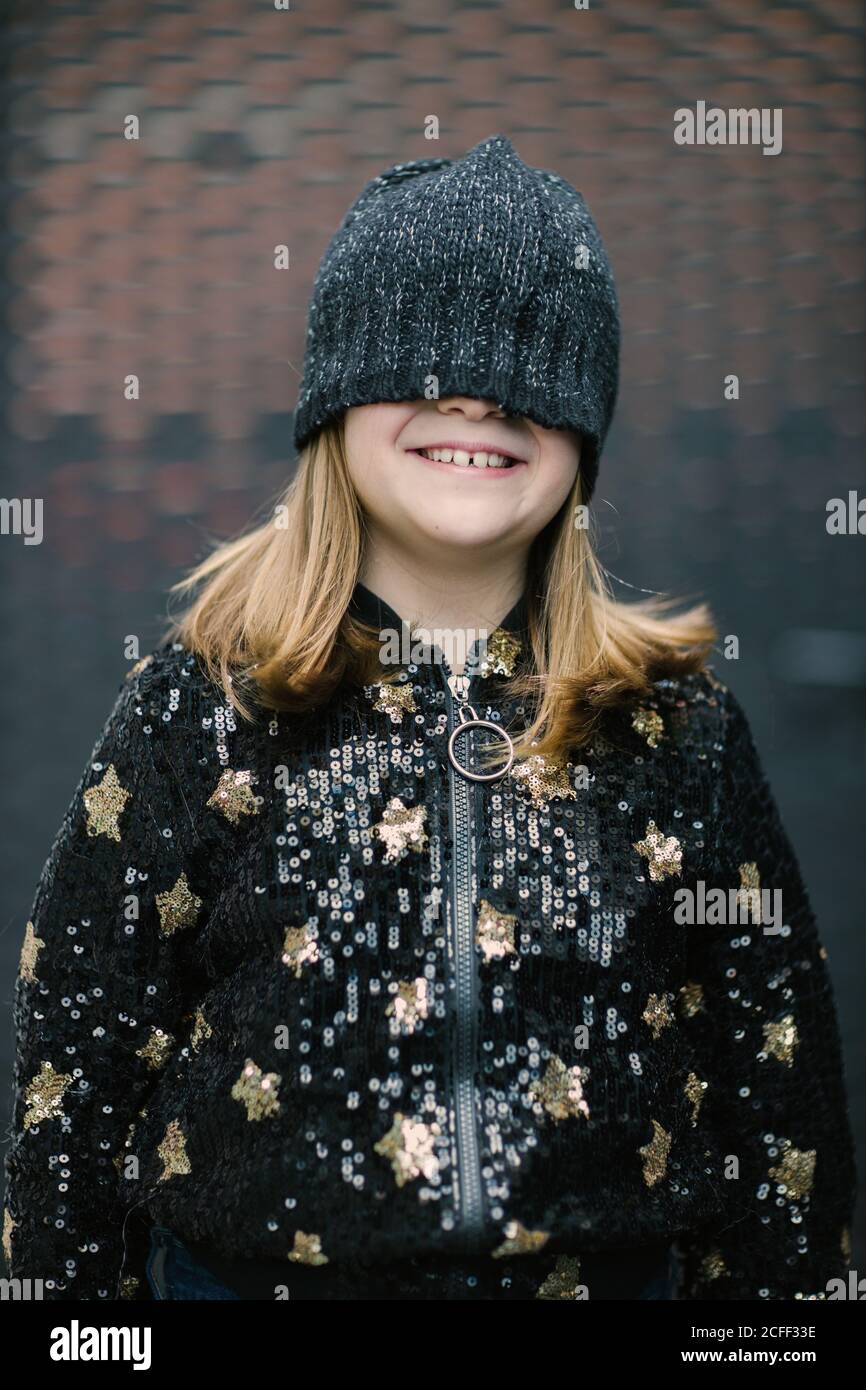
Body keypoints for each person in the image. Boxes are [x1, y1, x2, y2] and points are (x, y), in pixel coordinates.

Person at [4, 136, 856, 1302]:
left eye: (530, 370)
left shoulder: (674, 729)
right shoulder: (195, 711)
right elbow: (80, 1073)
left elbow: (776, 1086)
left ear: (580, 436)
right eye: (421, 361)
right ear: (331, 410)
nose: (478, 397)